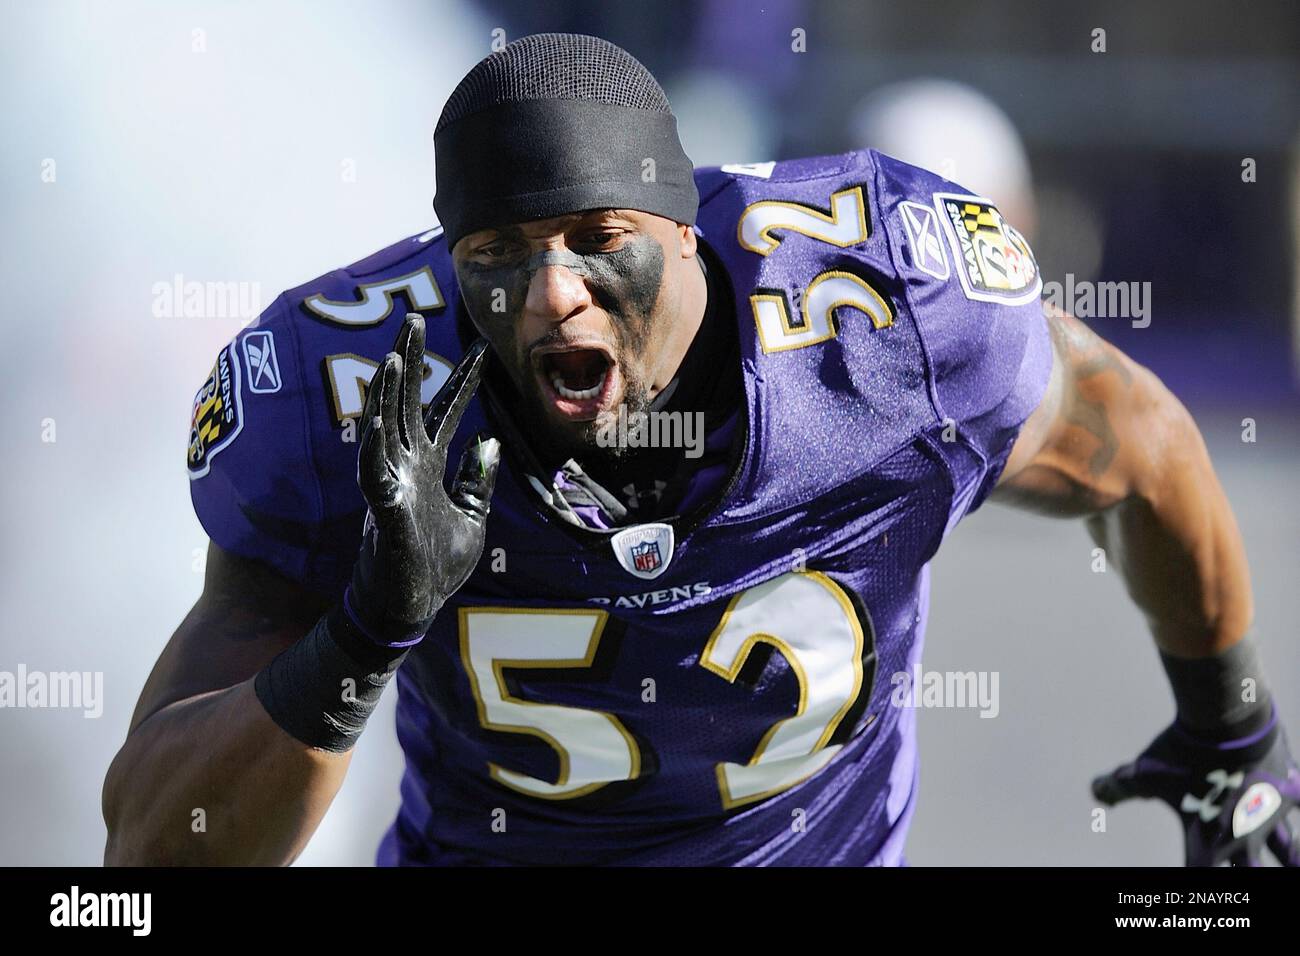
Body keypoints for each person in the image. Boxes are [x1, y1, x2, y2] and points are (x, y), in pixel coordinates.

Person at [103, 32, 1299, 867]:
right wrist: (362, 628)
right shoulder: (351, 395)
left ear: (686, 231)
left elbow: (1136, 443)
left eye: (595, 235)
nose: (550, 292)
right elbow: (149, 856)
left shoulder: (890, 331)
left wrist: (1230, 728)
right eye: (497, 253)